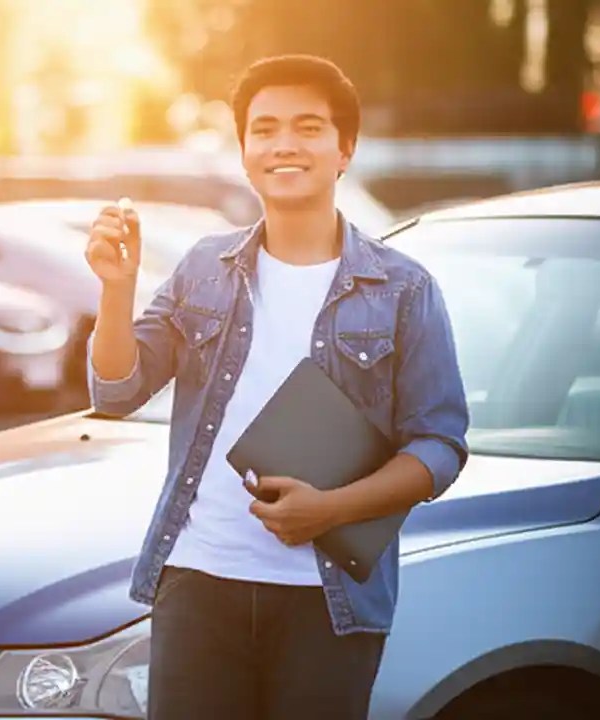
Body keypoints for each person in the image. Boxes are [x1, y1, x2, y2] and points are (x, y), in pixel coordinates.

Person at [84, 55, 469, 719]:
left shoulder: (404, 290)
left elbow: (439, 446)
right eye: (264, 130)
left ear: (344, 149)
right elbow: (117, 390)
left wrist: (333, 510)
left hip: (327, 599)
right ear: (243, 151)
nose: (284, 144)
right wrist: (115, 292)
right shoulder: (204, 267)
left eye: (308, 127)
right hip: (199, 584)